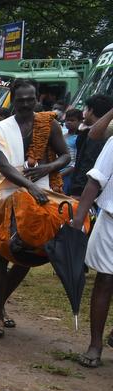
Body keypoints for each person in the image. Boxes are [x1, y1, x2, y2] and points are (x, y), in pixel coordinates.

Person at [0, 78, 71, 338]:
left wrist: (47, 168)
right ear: (12, 98)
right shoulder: (0, 129)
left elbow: (65, 155)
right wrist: (28, 187)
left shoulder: (48, 123)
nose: (26, 104)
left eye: (30, 99)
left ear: (38, 97)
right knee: (1, 252)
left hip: (42, 193)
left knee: (30, 253)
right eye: (20, 99)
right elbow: (6, 167)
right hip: (9, 191)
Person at [71, 135, 113, 367]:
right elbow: (96, 179)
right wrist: (78, 220)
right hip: (110, 221)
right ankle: (95, 345)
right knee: (105, 281)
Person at [71, 94, 113, 199]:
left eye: (86, 109)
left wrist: (78, 190)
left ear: (91, 110)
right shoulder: (88, 131)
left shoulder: (101, 134)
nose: (83, 113)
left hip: (87, 192)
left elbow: (87, 162)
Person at [61, 108, 83, 193]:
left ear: (80, 121)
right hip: (57, 170)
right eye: (67, 120)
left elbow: (76, 160)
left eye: (72, 120)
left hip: (68, 172)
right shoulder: (62, 133)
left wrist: (63, 174)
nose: (69, 122)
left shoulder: (79, 138)